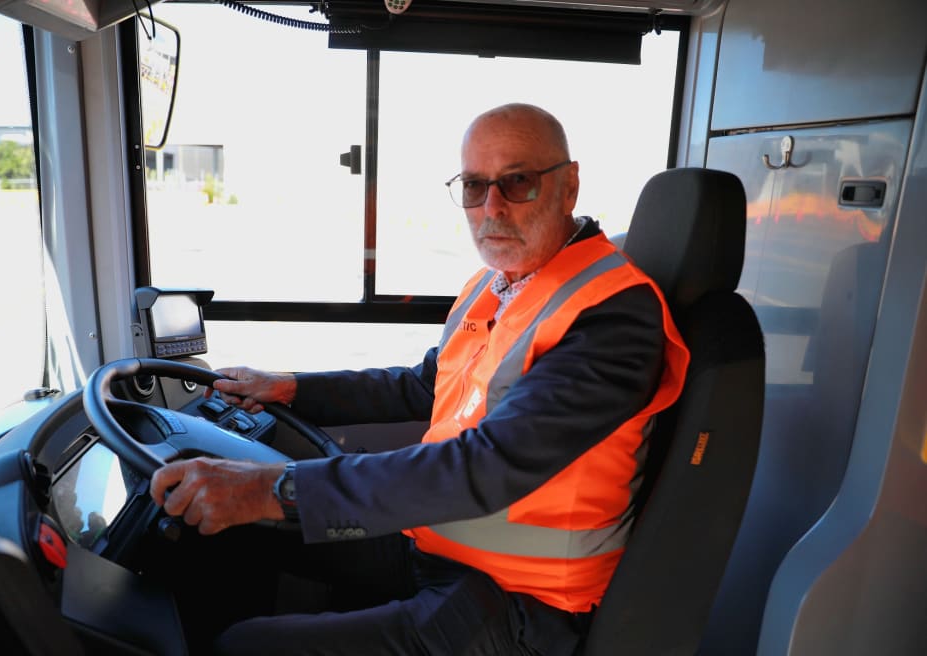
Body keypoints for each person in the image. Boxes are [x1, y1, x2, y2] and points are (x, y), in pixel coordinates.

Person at [150, 102, 690, 655]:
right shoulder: (499, 283)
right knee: (229, 537)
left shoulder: (613, 319)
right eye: (475, 186)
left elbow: (488, 464)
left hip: (523, 601)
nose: (491, 208)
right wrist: (293, 387)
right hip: (440, 543)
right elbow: (425, 384)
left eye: (518, 182)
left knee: (245, 649)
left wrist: (273, 488)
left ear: (569, 186)